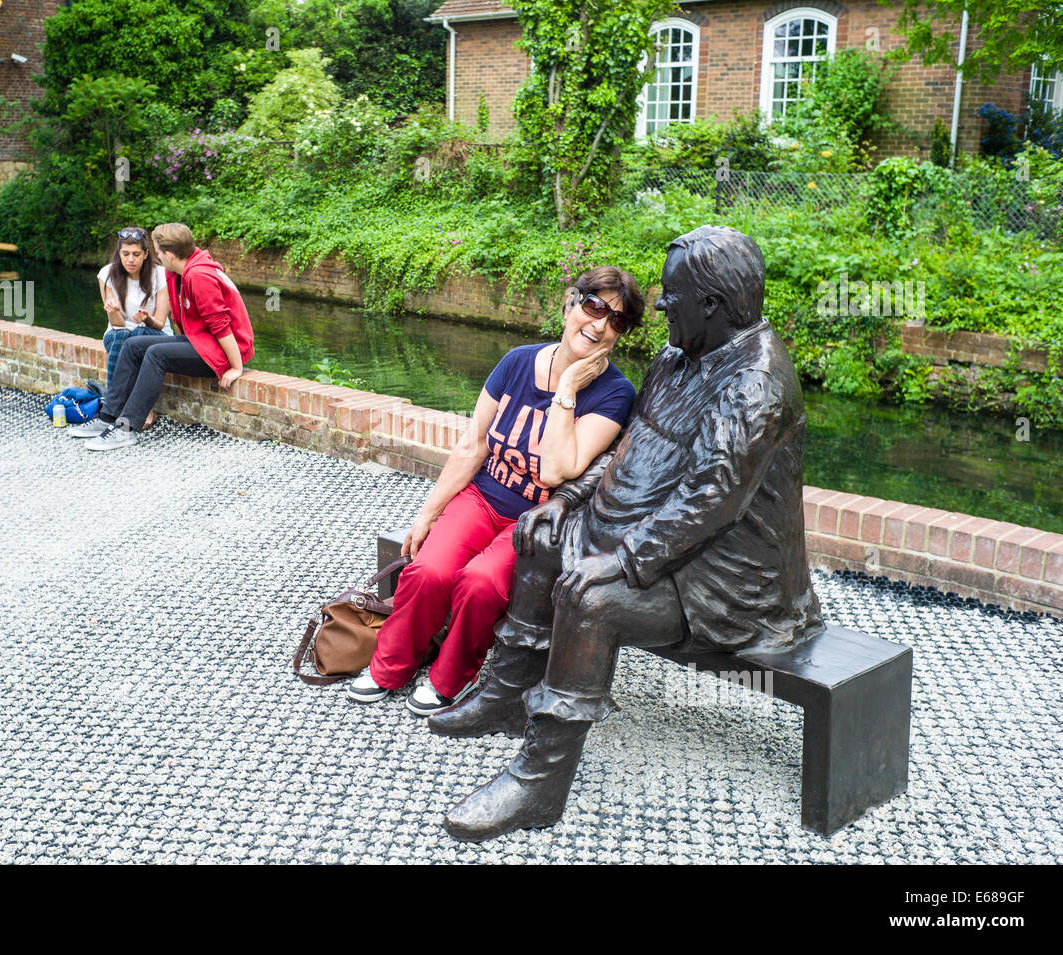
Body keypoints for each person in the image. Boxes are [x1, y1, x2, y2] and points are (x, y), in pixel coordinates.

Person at [432, 226, 826, 842]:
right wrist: (568, 499)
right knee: (540, 537)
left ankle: (540, 781)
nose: (661, 307)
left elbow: (711, 502)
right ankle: (507, 693)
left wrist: (623, 562)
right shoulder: (678, 357)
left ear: (714, 306)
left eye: (672, 296)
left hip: (723, 580)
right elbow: (628, 452)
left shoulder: (756, 384)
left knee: (591, 597)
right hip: (645, 537)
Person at [347, 267, 643, 716]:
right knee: (428, 570)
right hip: (483, 498)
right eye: (594, 305)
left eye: (616, 320)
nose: (600, 323)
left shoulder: (615, 393)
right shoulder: (518, 362)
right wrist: (428, 514)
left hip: (537, 522)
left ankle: (451, 677)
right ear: (571, 303)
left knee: (481, 583)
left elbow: (555, 470)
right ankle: (390, 666)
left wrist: (566, 388)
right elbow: (473, 444)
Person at [67, 223, 254, 451]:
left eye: (156, 252)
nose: (155, 257)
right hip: (201, 342)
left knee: (156, 354)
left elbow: (221, 325)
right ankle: (109, 417)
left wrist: (236, 366)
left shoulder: (198, 276)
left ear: (170, 255)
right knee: (134, 345)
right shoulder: (181, 271)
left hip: (223, 350)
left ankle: (126, 429)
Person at [98, 227, 173, 427]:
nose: (130, 259)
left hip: (154, 333)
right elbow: (117, 324)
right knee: (124, 336)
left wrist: (146, 319)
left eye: (136, 254)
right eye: (125, 254)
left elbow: (159, 322)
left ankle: (115, 408)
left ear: (146, 254)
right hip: (117, 335)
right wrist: (113, 310)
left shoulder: (159, 274)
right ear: (119, 254)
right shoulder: (107, 274)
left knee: (137, 336)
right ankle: (122, 408)